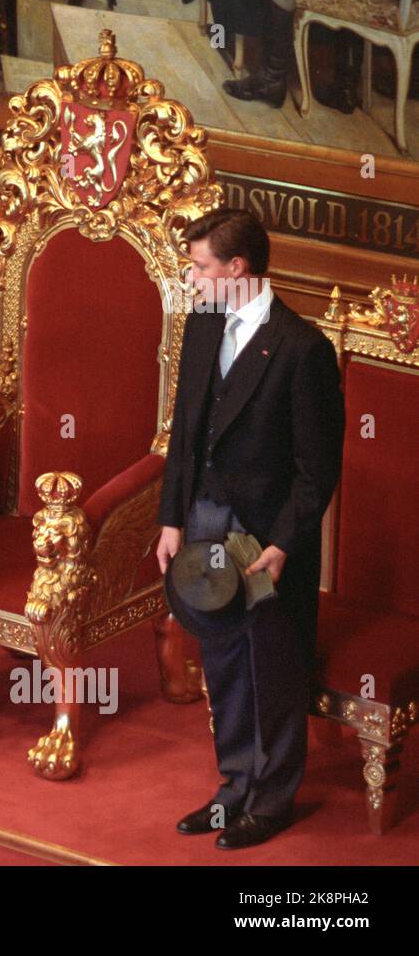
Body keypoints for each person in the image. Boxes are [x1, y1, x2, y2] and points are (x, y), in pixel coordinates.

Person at [157, 207, 344, 850]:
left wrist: (285, 543)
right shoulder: (205, 324)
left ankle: (271, 799)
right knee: (224, 663)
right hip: (207, 528)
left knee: (271, 667)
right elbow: (185, 429)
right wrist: (171, 518)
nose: (191, 275)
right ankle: (233, 788)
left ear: (237, 268)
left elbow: (317, 469)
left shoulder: (302, 349)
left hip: (266, 542)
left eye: (200, 265)